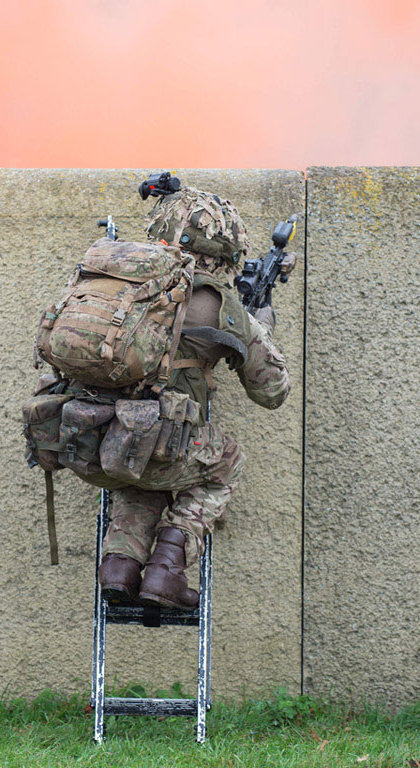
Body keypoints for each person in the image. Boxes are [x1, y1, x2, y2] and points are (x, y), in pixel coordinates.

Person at [28, 185, 291, 610]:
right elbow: (272, 391)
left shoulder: (118, 283)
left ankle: (120, 567)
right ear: (226, 248)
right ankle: (167, 571)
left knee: (142, 473)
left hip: (86, 443)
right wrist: (260, 328)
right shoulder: (219, 304)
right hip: (152, 449)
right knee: (225, 459)